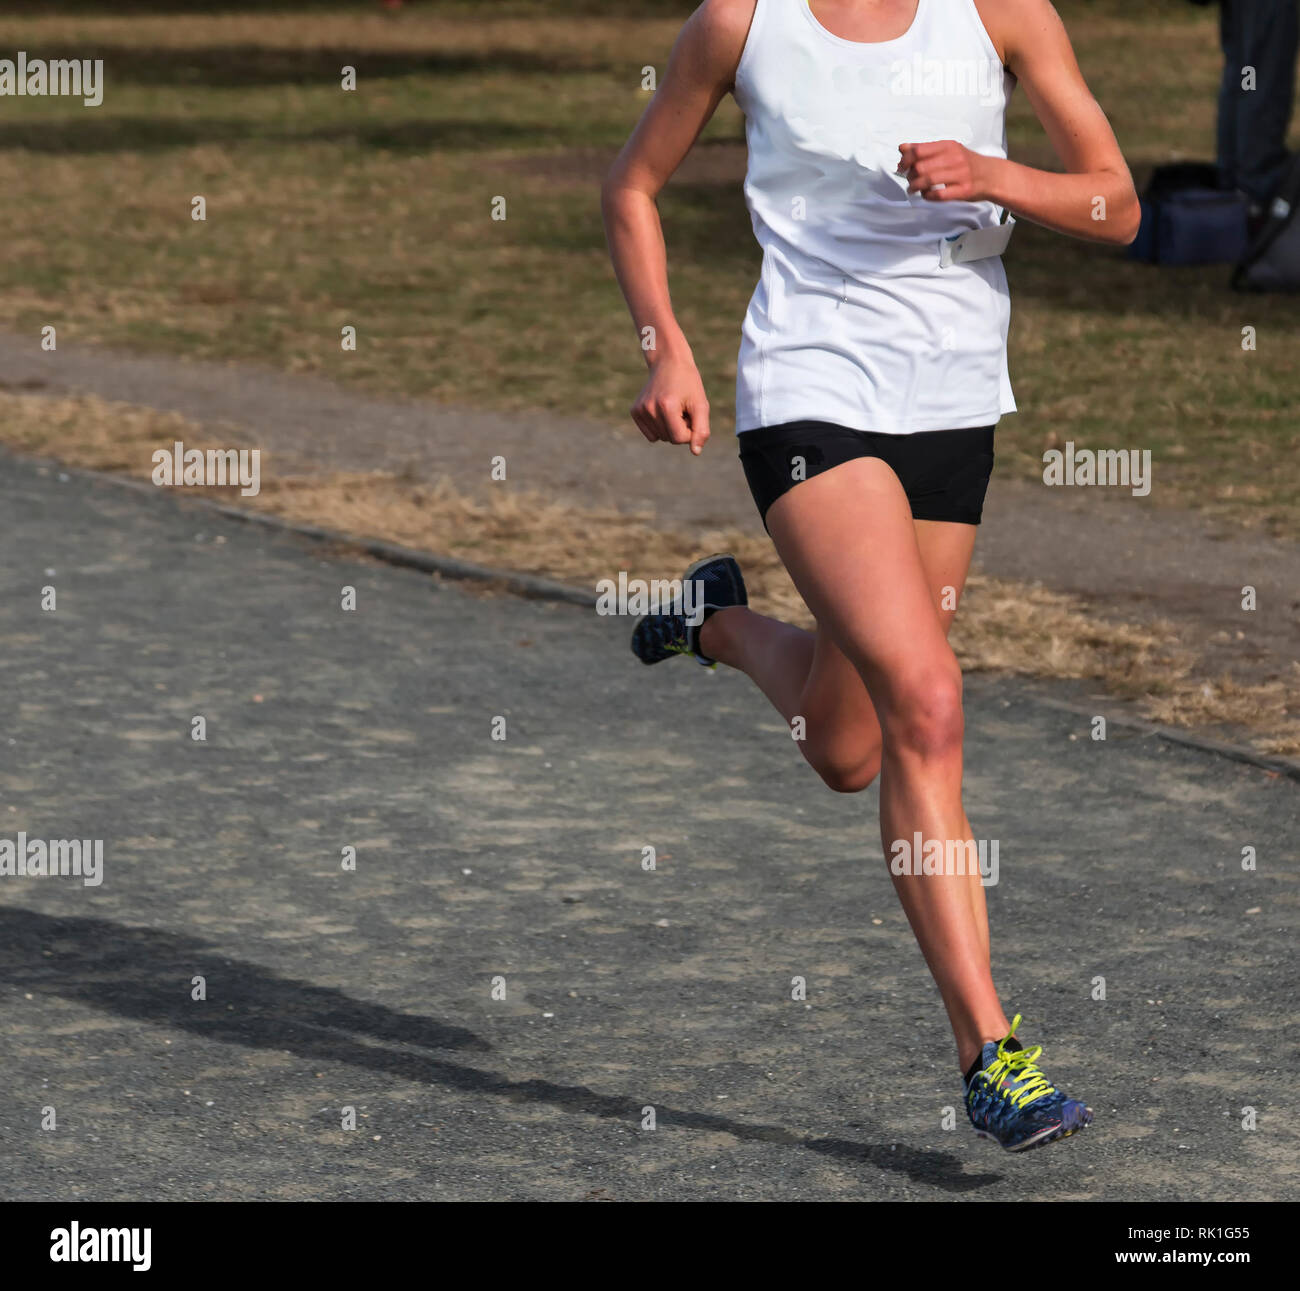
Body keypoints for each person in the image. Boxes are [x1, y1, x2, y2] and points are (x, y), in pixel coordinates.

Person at [601, 0, 1139, 1152]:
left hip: (951, 405)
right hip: (808, 390)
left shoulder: (1003, 12)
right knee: (928, 700)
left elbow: (1116, 202)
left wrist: (997, 175)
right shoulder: (738, 22)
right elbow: (631, 188)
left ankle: (720, 624)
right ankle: (992, 1056)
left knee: (847, 747)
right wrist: (666, 347)